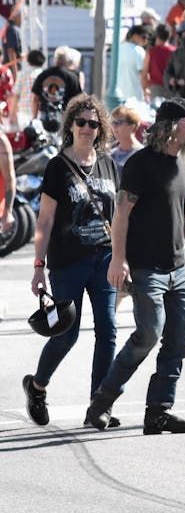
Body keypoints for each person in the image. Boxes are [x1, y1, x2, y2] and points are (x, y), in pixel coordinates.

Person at [85, 98, 185, 434]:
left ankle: (159, 411)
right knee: (148, 334)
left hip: (177, 270)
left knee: (177, 339)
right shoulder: (141, 164)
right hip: (146, 270)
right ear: (172, 125)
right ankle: (101, 403)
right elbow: (122, 214)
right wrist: (118, 259)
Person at [23, 94, 119, 428]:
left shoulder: (108, 164)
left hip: (104, 258)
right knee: (66, 334)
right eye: (81, 122)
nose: (87, 129)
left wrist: (123, 258)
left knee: (108, 330)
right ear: (71, 125)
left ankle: (99, 405)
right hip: (68, 262)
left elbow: (117, 216)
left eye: (94, 123)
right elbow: (45, 220)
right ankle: (37, 386)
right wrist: (38, 266)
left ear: (100, 128)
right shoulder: (57, 167)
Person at [31, 46, 83, 121]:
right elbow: (78, 100)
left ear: (54, 59)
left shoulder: (43, 75)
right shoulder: (72, 77)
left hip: (45, 115)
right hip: (65, 116)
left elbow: (35, 98)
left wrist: (34, 117)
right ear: (67, 60)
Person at [143, 23, 176, 99]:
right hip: (172, 88)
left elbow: (144, 74)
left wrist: (145, 90)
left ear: (156, 35)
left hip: (155, 88)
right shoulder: (175, 51)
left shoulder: (151, 52)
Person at [109, 104, 143, 178]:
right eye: (113, 122)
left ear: (132, 126)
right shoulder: (111, 153)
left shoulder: (143, 155)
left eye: (119, 122)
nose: (114, 126)